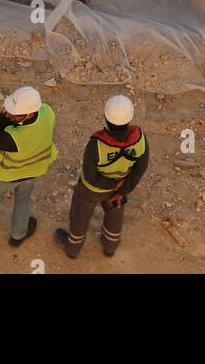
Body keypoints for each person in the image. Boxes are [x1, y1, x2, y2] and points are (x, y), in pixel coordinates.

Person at [54, 94, 149, 260]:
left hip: (91, 190)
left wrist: (111, 183)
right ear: (130, 117)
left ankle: (73, 249)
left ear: (106, 117)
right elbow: (141, 168)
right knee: (115, 216)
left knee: (80, 215)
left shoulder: (96, 145)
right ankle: (110, 247)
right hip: (120, 188)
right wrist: (122, 188)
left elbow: (91, 177)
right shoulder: (140, 139)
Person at [0, 86, 57, 246]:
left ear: (30, 113)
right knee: (24, 201)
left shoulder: (11, 137)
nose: (11, 115)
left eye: (15, 115)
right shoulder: (47, 111)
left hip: (5, 175)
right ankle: (18, 236)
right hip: (33, 171)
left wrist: (3, 119)